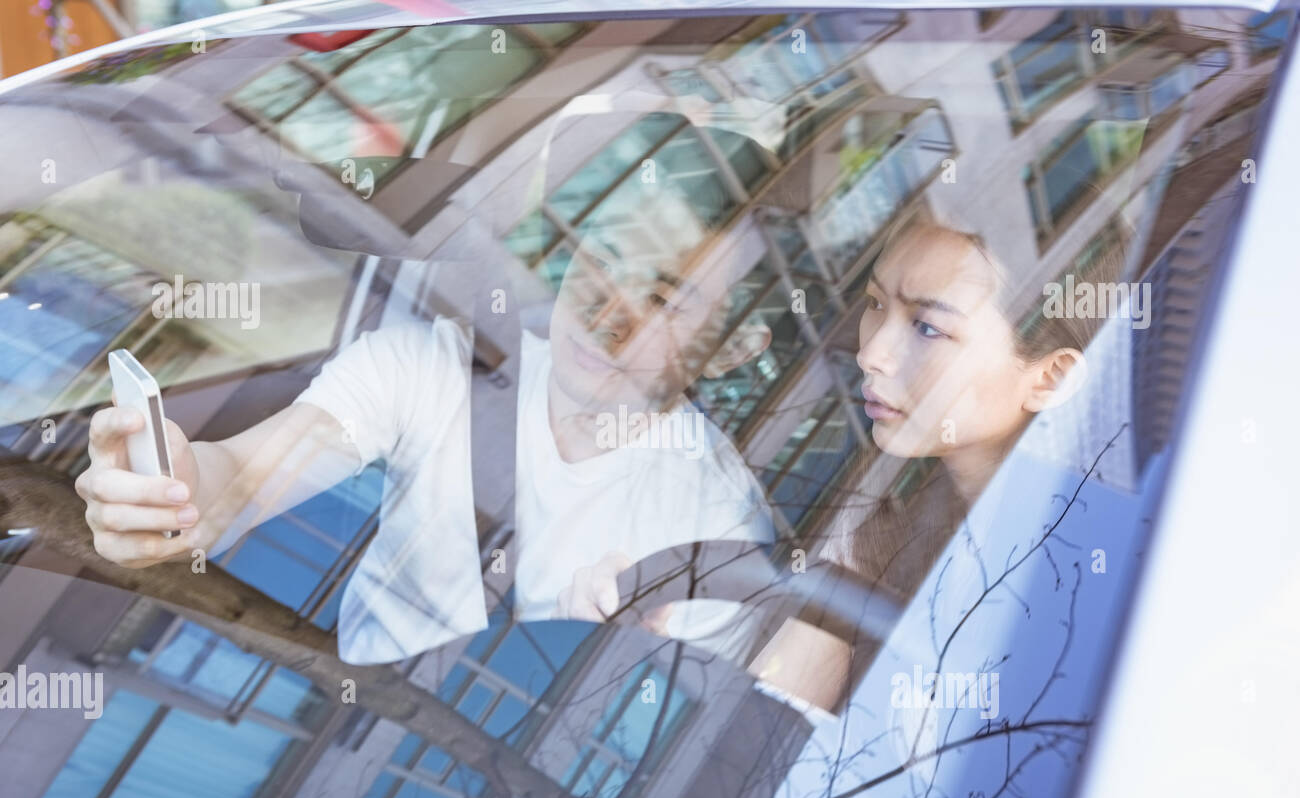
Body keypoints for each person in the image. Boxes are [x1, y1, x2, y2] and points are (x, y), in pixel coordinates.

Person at [75, 163, 777, 666]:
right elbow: (246, 479)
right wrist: (175, 490)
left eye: (662, 298)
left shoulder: (717, 526)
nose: (605, 315)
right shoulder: (435, 367)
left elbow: (688, 739)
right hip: (352, 717)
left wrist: (628, 656)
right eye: (604, 258)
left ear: (728, 348)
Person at [750, 211, 1124, 712]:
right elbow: (770, 720)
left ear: (1048, 379)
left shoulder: (1081, 587)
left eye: (927, 327)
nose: (872, 353)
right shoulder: (884, 522)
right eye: (876, 304)